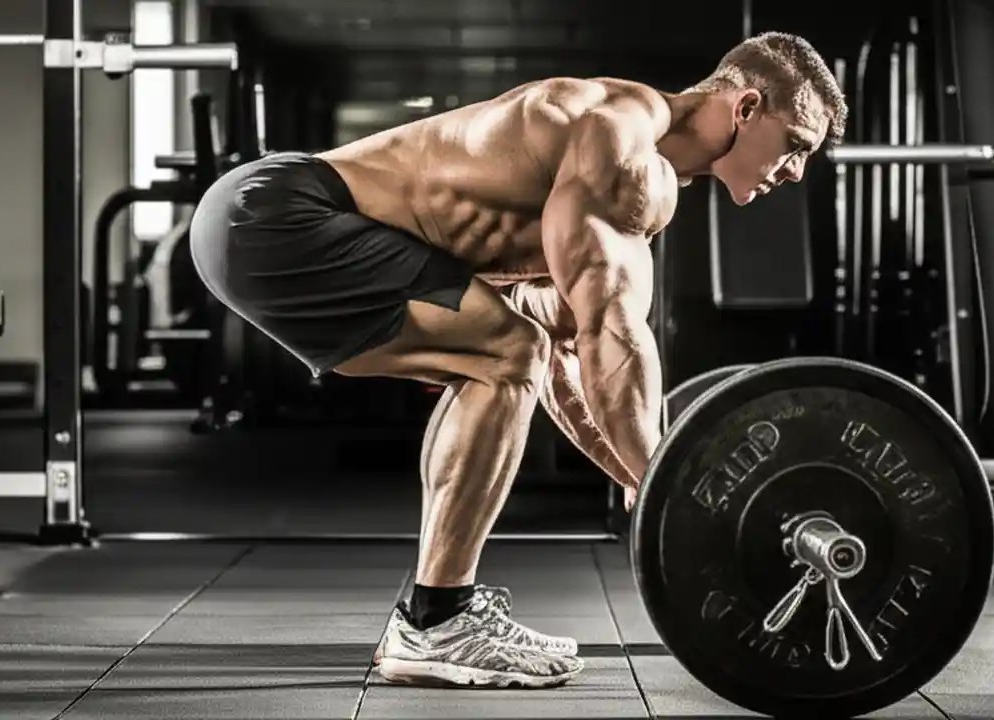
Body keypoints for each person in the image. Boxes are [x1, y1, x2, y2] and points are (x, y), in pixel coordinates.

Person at [189, 31, 846, 689]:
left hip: (260, 216)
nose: (795, 173)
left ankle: (437, 612)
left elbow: (563, 353)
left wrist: (640, 479)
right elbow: (613, 340)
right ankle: (437, 622)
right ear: (747, 106)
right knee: (504, 356)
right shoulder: (623, 146)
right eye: (795, 147)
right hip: (283, 216)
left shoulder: (623, 157)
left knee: (510, 348)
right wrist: (680, 493)